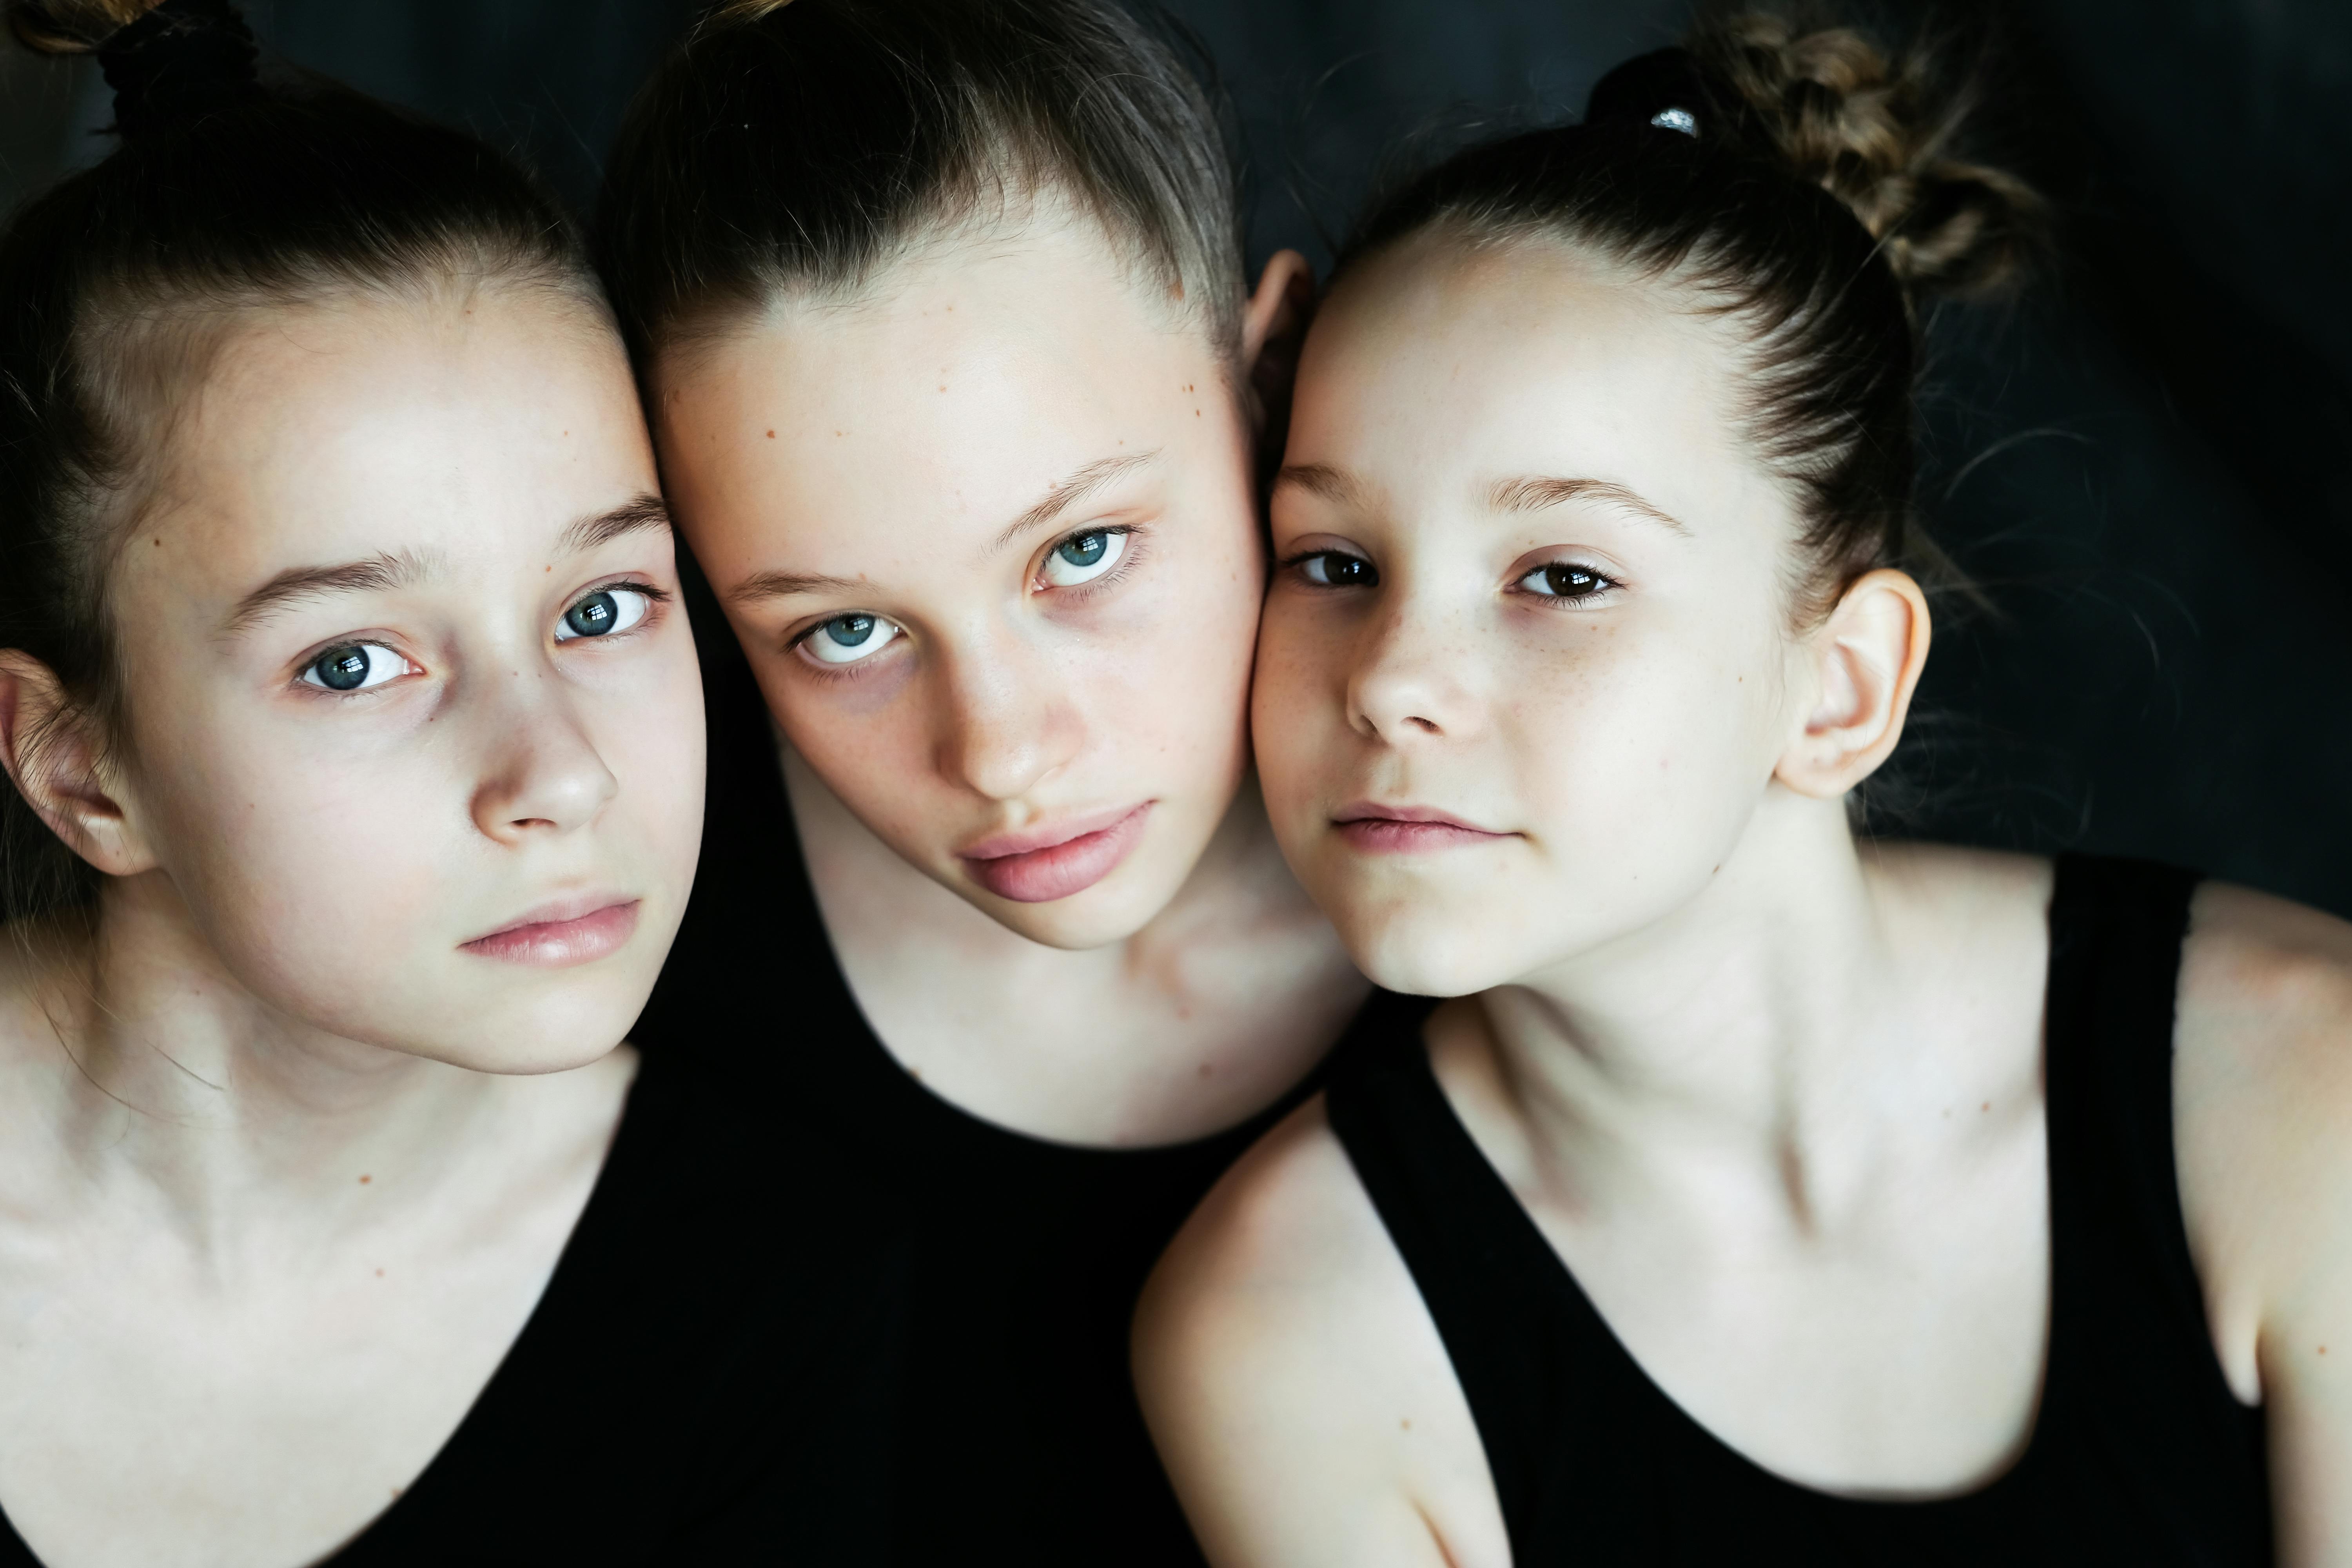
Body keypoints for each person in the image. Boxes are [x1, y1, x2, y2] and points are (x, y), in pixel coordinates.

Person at [1137, 16, 2343, 1564]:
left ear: (1838, 687)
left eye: (1561, 574)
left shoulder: (2305, 1102)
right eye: (1335, 563)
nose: (1385, 678)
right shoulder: (1299, 1337)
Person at [0, 3, 872, 1562]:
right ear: (82, 770)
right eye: (353, 661)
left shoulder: (768, 1291)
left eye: (602, 609)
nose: (557, 776)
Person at [597, 1, 1387, 1558]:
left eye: (1080, 553)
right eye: (843, 630)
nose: (1003, 754)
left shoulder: (1560, 928)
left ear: (1268, 372)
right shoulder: (610, 1000)